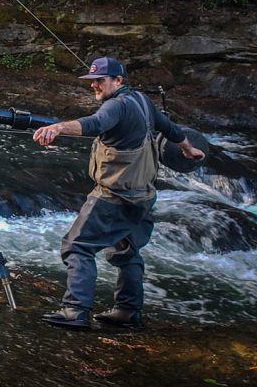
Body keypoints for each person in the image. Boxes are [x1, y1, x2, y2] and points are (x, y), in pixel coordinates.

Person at [32, 57, 204, 330]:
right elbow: (169, 128)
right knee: (126, 251)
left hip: (114, 196)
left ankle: (75, 310)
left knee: (77, 246)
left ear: (118, 80)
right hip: (144, 196)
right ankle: (127, 311)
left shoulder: (116, 106)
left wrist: (57, 127)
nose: (95, 86)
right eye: (92, 81)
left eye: (100, 80)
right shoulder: (143, 101)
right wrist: (187, 148)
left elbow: (94, 124)